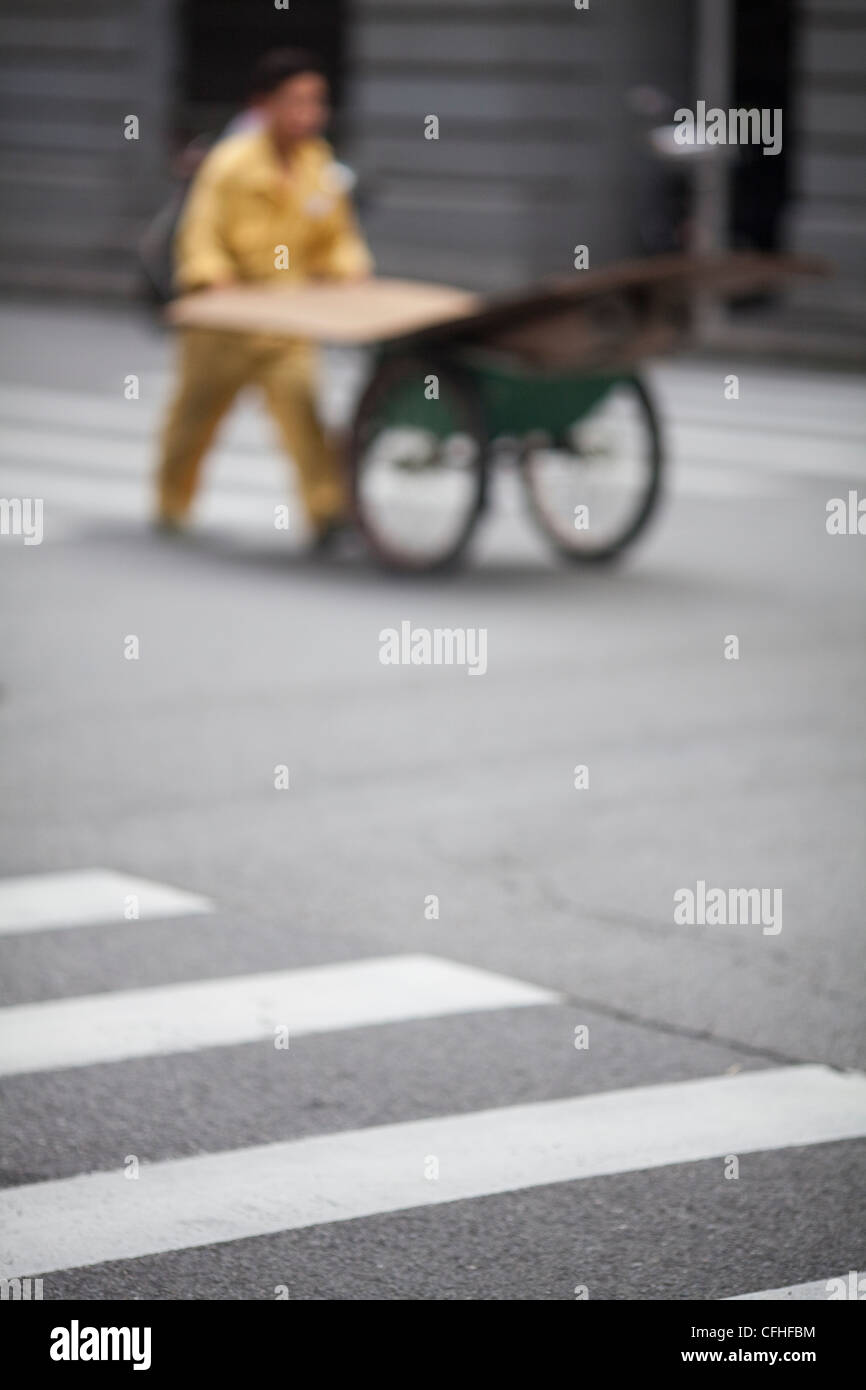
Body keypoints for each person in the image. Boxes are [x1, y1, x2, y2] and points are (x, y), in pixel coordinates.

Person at [155, 49, 373, 547]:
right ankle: (172, 502)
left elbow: (336, 235)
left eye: (316, 101)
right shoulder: (230, 162)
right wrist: (212, 277)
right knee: (194, 419)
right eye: (295, 101)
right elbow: (200, 233)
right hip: (224, 324)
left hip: (284, 318)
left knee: (303, 414)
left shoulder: (317, 163)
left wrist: (347, 269)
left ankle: (326, 512)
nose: (308, 113)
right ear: (264, 105)